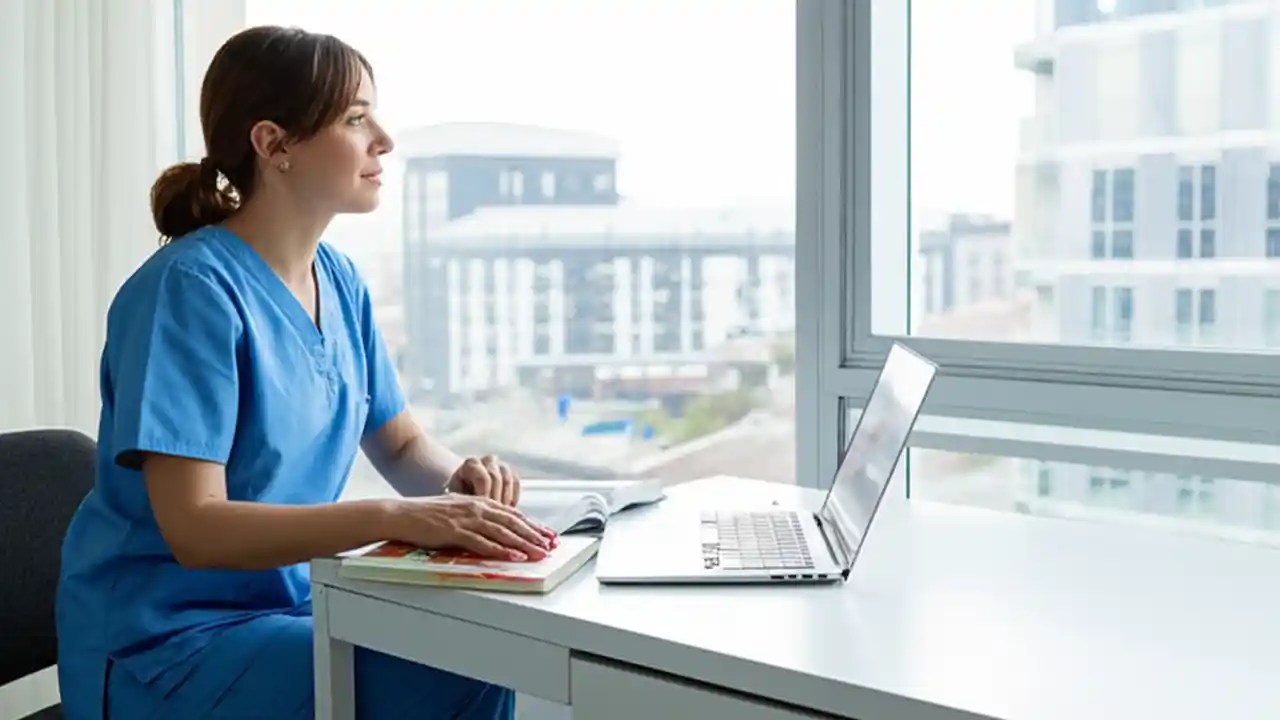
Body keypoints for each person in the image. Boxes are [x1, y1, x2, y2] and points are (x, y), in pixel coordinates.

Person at [55, 25, 555, 719]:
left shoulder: (339, 280)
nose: (384, 139)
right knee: (460, 675)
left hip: (288, 610)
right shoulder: (189, 293)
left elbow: (402, 446)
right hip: (167, 645)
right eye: (355, 119)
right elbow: (196, 528)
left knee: (481, 654)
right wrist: (401, 517)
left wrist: (461, 489)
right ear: (274, 144)